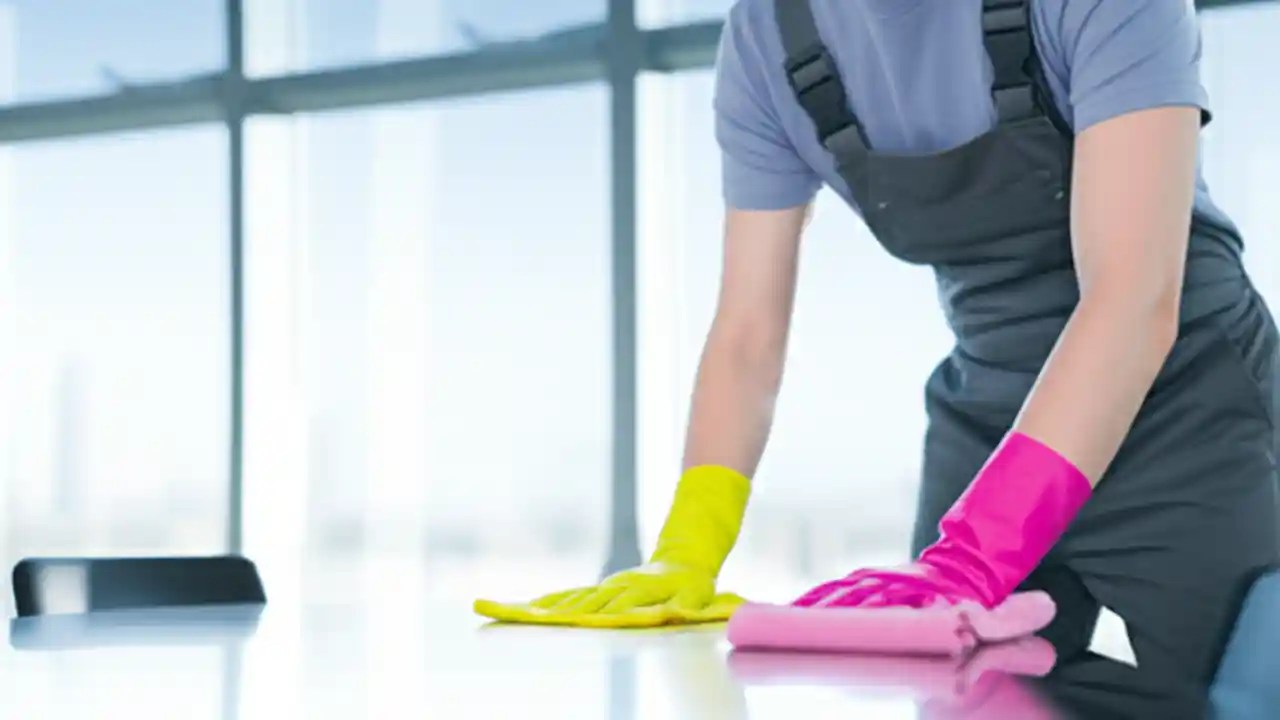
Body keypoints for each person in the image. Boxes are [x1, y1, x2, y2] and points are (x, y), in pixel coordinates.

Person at [476, 0, 1280, 683]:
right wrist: (686, 549)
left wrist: (978, 552)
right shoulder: (771, 35)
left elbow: (1134, 296)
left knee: (1240, 694)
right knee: (954, 690)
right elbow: (749, 332)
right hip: (987, 425)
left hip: (1195, 421)